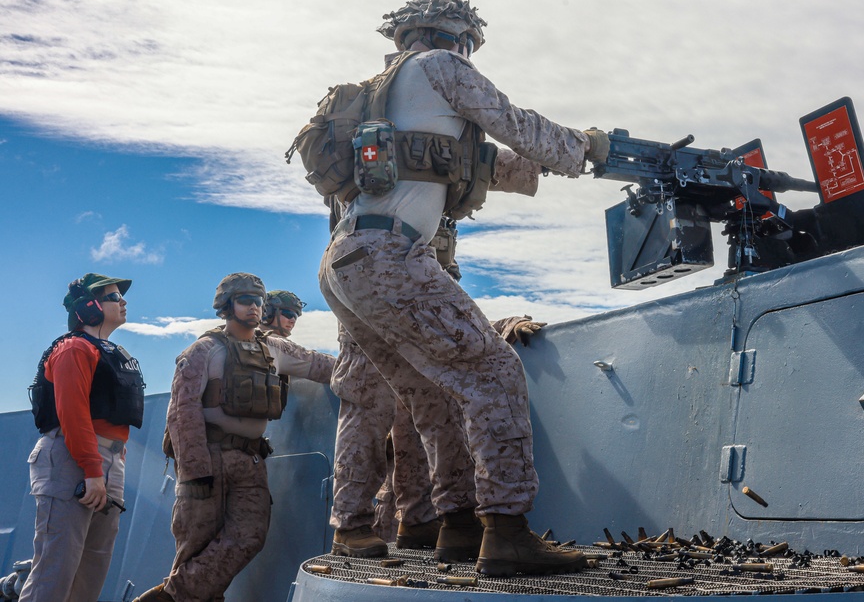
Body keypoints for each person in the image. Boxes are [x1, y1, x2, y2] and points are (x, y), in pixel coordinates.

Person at [316, 0, 609, 577]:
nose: (468, 53)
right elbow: (514, 122)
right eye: (468, 44)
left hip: (343, 263)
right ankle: (506, 531)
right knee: (493, 371)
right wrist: (583, 148)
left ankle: (456, 524)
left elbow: (471, 164)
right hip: (389, 255)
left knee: (429, 392)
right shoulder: (440, 68)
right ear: (453, 37)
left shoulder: (388, 97)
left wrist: (548, 164)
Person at [325, 218, 546, 561]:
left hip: (391, 273)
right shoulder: (392, 194)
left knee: (432, 401)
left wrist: (505, 323)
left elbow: (462, 322)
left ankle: (431, 519)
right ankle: (351, 525)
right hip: (386, 269)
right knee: (369, 405)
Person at [135, 273, 336, 602]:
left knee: (251, 536)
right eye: (245, 301)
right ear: (227, 306)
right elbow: (182, 411)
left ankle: (168, 597)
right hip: (209, 459)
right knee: (197, 544)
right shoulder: (204, 350)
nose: (254, 308)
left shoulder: (274, 348)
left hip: (250, 460)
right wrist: (195, 469)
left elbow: (318, 365)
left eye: (258, 302)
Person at [20, 273, 145, 602]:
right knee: (55, 571)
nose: (123, 302)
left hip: (107, 462)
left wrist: (113, 460)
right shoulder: (74, 349)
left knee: (91, 572)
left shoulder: (114, 353)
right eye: (115, 297)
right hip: (71, 460)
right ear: (89, 307)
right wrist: (92, 470)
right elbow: (72, 415)